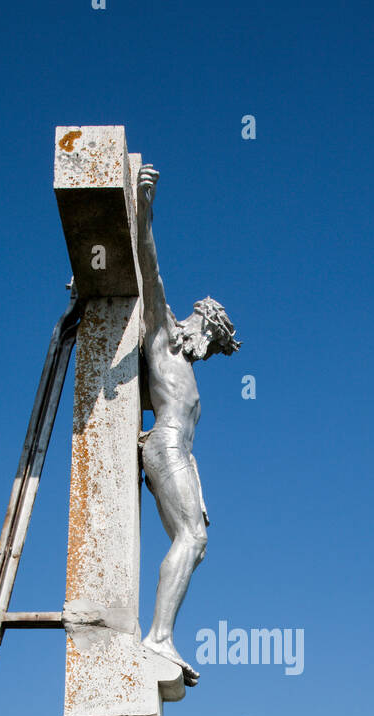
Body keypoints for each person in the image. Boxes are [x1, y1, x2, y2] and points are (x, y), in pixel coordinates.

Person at [136, 164, 240, 685]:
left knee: (196, 542)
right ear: (201, 323)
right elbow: (149, 274)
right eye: (214, 340)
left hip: (181, 455)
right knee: (193, 540)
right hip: (166, 447)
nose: (212, 350)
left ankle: (160, 635)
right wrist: (144, 207)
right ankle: (156, 637)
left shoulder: (187, 365)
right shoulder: (165, 341)